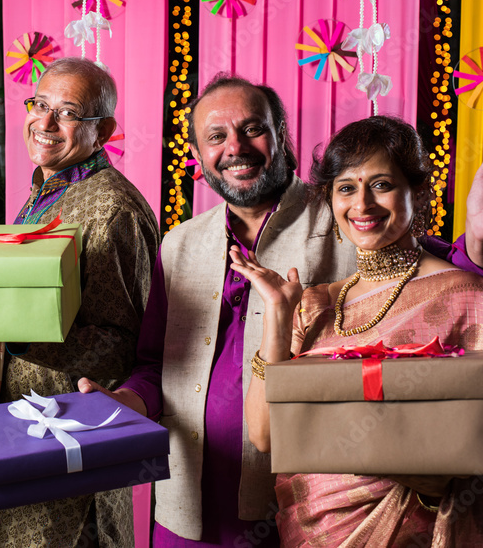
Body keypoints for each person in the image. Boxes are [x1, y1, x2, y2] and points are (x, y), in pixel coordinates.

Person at [81, 73, 354, 546]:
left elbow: (422, 275)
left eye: (252, 129)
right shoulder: (180, 244)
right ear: (198, 154)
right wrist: (125, 402)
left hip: (304, 508)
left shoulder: (345, 223)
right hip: (184, 508)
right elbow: (155, 366)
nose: (235, 147)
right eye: (216, 136)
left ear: (280, 135)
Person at [236, 115, 483, 545]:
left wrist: (433, 485)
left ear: (417, 192)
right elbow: (264, 435)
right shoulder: (314, 302)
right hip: (310, 530)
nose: (362, 204)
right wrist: (277, 315)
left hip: (412, 530)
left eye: (381, 184)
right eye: (346, 188)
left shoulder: (465, 296)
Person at [0, 57, 160, 548]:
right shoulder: (47, 190)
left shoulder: (111, 207)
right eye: (39, 104)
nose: (45, 123)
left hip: (71, 440)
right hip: (20, 429)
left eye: (67, 113)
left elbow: (123, 348)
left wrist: (22, 333)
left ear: (102, 130)